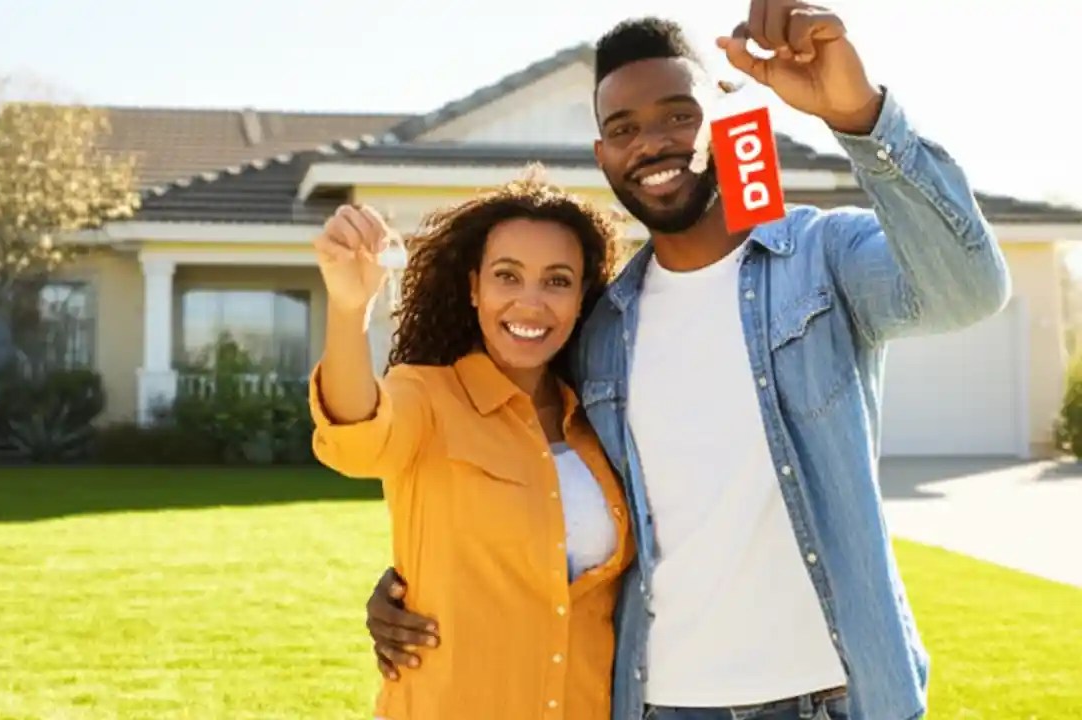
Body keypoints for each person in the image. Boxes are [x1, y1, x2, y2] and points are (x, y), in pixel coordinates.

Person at [362, 4, 1011, 720]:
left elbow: (969, 290)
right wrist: (410, 587)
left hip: (831, 698)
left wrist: (859, 115)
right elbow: (522, 467)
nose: (652, 143)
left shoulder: (821, 261)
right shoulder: (600, 326)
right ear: (603, 154)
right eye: (624, 129)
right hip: (660, 701)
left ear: (724, 119)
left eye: (678, 115)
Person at [308, 172, 636, 719]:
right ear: (473, 288)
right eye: (507, 276)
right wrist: (348, 310)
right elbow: (356, 435)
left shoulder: (601, 422)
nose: (530, 304)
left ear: (583, 297)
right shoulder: (428, 397)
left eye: (557, 281)